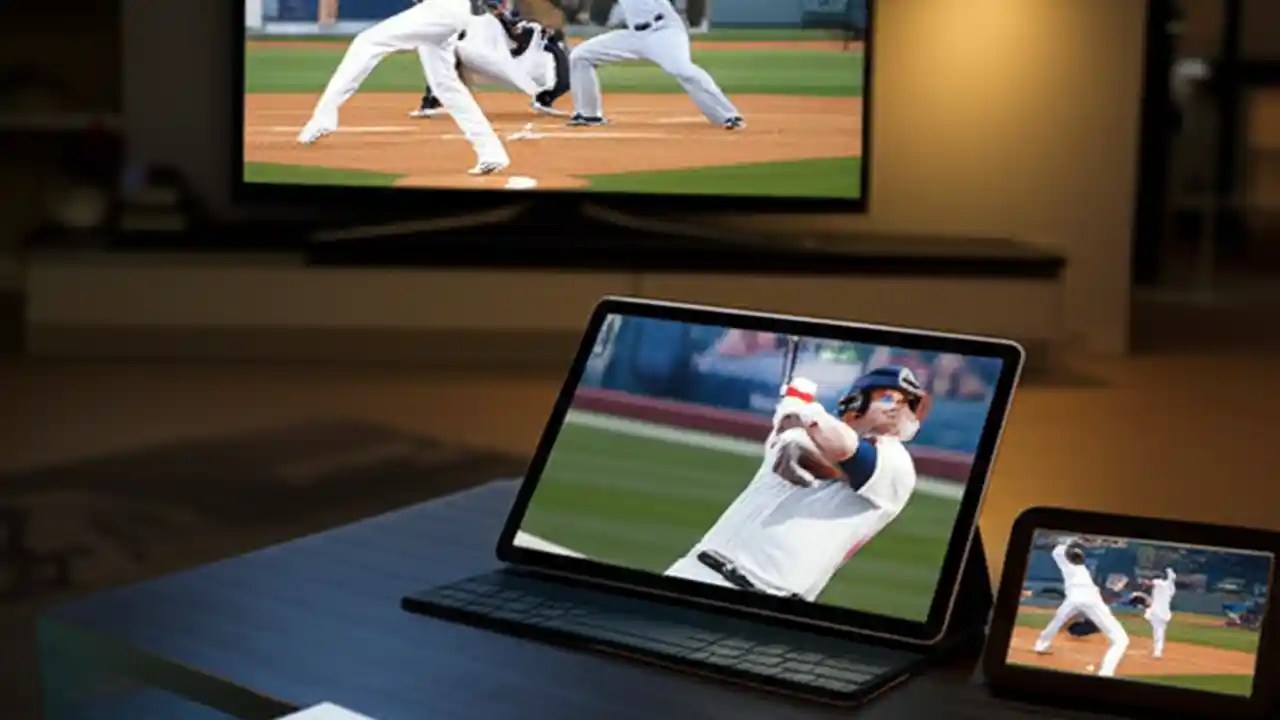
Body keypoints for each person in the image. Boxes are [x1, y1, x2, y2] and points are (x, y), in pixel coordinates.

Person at [663, 366, 928, 601]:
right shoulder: (799, 432)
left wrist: (802, 410)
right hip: (694, 573)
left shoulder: (897, 464)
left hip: (767, 599)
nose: (900, 408)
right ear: (856, 402)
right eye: (889, 397)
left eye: (909, 403)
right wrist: (794, 418)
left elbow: (845, 449)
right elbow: (792, 428)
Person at [296, 0, 511, 175]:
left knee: (367, 42)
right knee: (445, 86)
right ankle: (491, 153)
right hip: (456, 13)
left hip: (443, 10)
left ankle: (323, 116)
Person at [565, 0, 744, 129]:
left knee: (681, 69)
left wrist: (695, 17)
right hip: (634, 34)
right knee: (581, 55)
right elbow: (599, 11)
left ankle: (728, 115)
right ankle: (589, 114)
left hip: (664, 31)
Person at [410, 1, 572, 118]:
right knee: (447, 49)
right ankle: (432, 101)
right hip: (489, 53)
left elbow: (518, 30)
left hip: (515, 58)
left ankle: (545, 98)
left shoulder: (531, 22)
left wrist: (505, 19)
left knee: (563, 60)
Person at [1034, 539, 1130, 677]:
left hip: (1076, 598)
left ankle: (1041, 645)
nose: (1079, 558)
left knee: (1057, 621)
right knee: (1121, 639)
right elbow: (1061, 549)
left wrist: (1078, 542)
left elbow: (1064, 549)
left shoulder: (1072, 564)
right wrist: (1077, 541)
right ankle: (1106, 673)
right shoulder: (1065, 561)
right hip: (1090, 598)